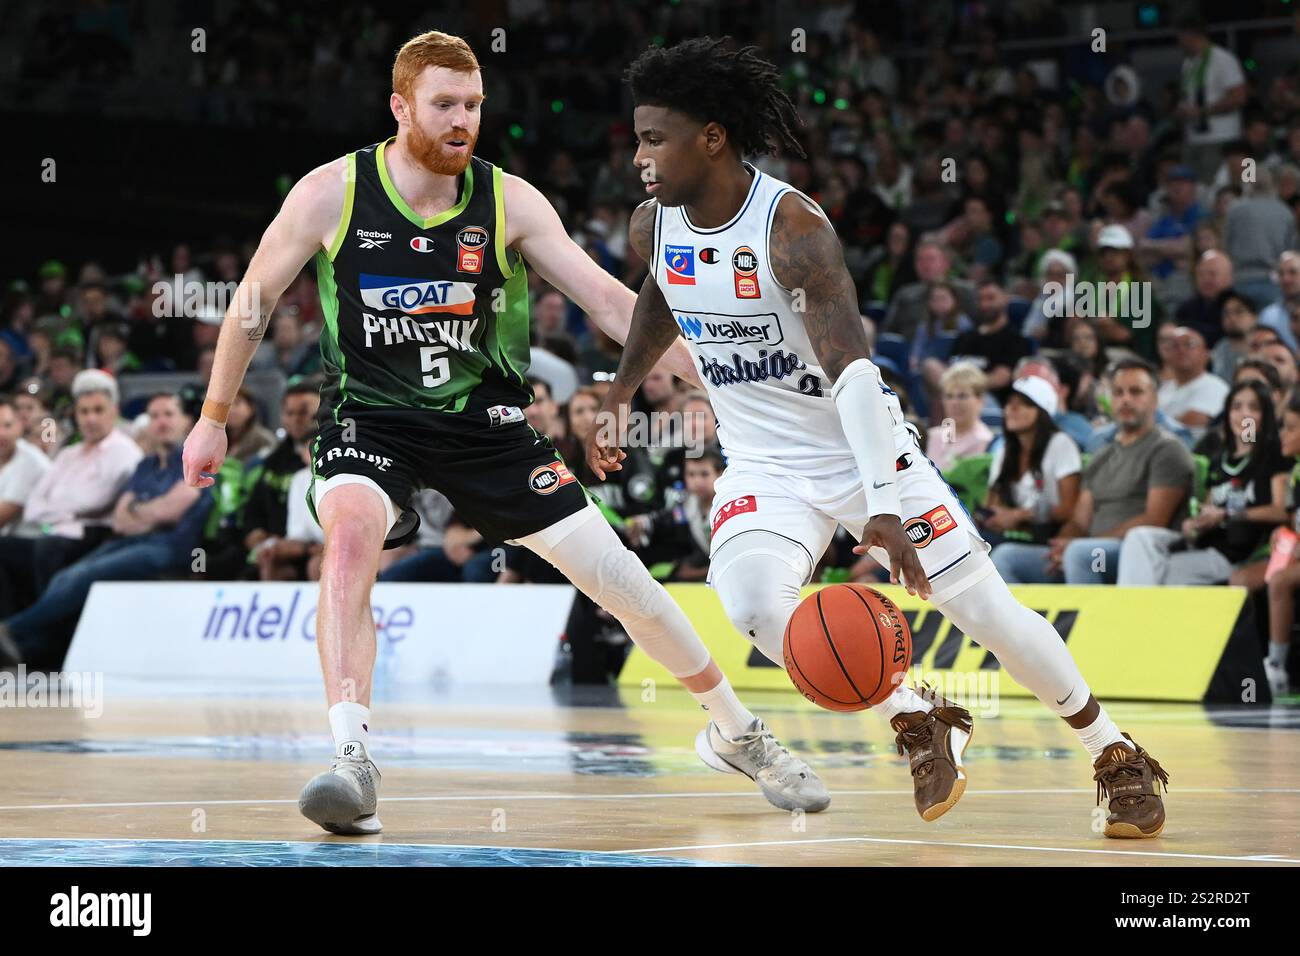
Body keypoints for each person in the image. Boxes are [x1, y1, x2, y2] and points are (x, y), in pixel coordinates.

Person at [181, 30, 826, 836]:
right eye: (445, 104)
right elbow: (252, 301)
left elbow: (608, 302)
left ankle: (739, 732)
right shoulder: (329, 193)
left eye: (474, 105)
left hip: (486, 425)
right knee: (346, 541)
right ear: (400, 107)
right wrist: (211, 420)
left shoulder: (509, 200)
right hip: (370, 417)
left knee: (621, 580)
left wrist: (729, 376)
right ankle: (353, 762)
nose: (462, 120)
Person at [589, 37, 1171, 839]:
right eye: (638, 137)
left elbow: (854, 375)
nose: (641, 157)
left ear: (712, 136)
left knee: (985, 615)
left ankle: (1115, 752)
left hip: (863, 451)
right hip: (763, 462)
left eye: (655, 138)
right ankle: (921, 716)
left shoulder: (791, 227)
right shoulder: (652, 222)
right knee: (756, 606)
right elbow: (663, 289)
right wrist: (621, 391)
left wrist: (886, 506)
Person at [0, 392, 211, 668]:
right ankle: (26, 643)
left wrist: (141, 509)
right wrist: (147, 512)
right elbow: (122, 519)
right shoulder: (145, 465)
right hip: (127, 540)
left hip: (173, 547)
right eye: (154, 416)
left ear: (186, 421)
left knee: (82, 572)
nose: (161, 422)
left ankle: (12, 631)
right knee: (67, 576)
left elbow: (169, 511)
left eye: (169, 414)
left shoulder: (198, 461)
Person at [1119, 380, 1288, 586]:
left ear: (1266, 415)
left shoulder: (1274, 454)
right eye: (1236, 407)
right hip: (1202, 545)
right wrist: (1196, 524)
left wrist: (1228, 514)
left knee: (1162, 572)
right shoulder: (1218, 460)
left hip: (1234, 555)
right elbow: (1208, 509)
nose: (1244, 415)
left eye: (1253, 408)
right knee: (1139, 538)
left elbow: (1281, 511)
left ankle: (1132, 614)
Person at [983, 377, 1081, 555]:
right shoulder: (1005, 449)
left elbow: (1069, 510)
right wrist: (993, 517)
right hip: (1014, 536)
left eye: (1023, 404)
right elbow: (992, 504)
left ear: (1042, 411)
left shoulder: (1061, 444)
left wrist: (1017, 516)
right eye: (1009, 403)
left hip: (1050, 539)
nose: (1011, 409)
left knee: (998, 553)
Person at [1264, 394, 1300, 696]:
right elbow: (1293, 520)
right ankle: (1270, 664)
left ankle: (1276, 666)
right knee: (1266, 576)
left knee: (1280, 580)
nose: (1282, 435)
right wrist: (1284, 530)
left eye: (1290, 428)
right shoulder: (1296, 472)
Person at [1156, 326, 1230, 444]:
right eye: (1175, 346)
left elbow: (1194, 421)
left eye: (1189, 344)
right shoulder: (1164, 388)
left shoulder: (1215, 386)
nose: (1181, 350)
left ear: (1206, 354)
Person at [924, 362, 993, 471]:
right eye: (949, 396)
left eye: (962, 396)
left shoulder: (987, 441)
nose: (955, 402)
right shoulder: (932, 437)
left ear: (980, 400)